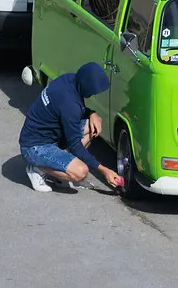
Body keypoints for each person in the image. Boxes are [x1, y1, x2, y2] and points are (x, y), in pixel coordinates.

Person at [19, 60, 123, 192]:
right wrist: (105, 170)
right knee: (81, 172)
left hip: (45, 135)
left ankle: (61, 170)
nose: (94, 94)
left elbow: (68, 110)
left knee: (93, 126)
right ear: (87, 86)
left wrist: (92, 113)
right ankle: (37, 169)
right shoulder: (70, 105)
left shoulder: (69, 80)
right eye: (93, 90)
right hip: (34, 147)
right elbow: (75, 145)